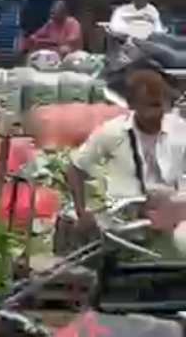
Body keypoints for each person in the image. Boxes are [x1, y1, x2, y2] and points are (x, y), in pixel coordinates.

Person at [69, 69, 186, 233]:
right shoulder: (113, 132)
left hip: (174, 212)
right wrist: (82, 212)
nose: (155, 114)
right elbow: (76, 167)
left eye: (158, 105)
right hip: (127, 215)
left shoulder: (179, 129)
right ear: (132, 105)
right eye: (148, 106)